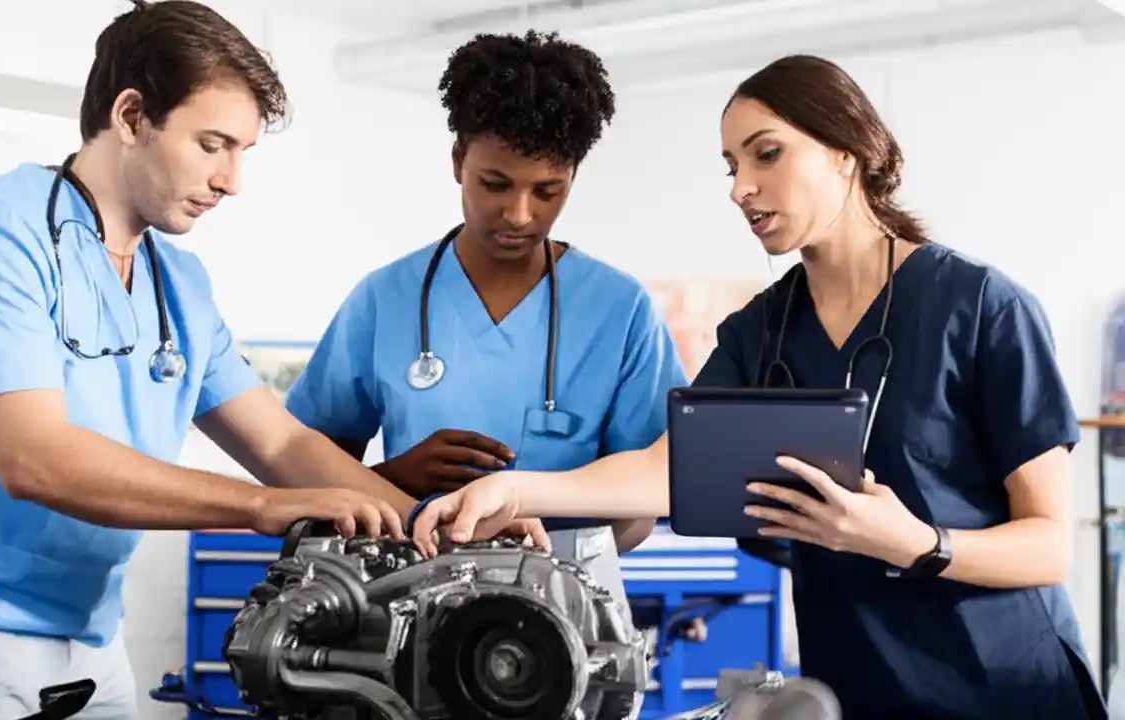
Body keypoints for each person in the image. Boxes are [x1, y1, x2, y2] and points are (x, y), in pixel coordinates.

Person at [412, 54, 1107, 719]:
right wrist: (517, 487)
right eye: (731, 165)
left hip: (1007, 687)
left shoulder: (981, 307)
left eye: (765, 154)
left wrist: (916, 543)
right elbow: (667, 470)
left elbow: (1050, 547)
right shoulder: (759, 333)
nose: (740, 187)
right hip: (855, 688)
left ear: (847, 152)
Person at [0, 3, 434, 717]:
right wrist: (260, 507)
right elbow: (35, 458)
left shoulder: (176, 283)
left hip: (89, 635)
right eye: (213, 144)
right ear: (130, 117)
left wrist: (438, 526)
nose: (232, 180)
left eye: (242, 151)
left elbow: (278, 442)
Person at [283, 30, 687, 613]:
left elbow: (645, 498)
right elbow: (300, 468)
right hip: (407, 604)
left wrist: (541, 538)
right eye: (494, 184)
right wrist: (396, 477)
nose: (519, 215)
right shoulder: (383, 300)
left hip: (570, 607)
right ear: (458, 162)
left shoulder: (619, 310)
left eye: (548, 190)